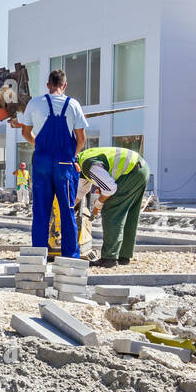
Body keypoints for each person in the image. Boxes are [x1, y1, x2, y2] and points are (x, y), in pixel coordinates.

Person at [18, 68, 86, 256]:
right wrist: (70, 155)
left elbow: (25, 132)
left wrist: (39, 144)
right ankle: (71, 257)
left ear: (48, 85)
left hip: (41, 164)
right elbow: (81, 139)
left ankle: (38, 256)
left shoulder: (35, 103)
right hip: (65, 164)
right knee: (67, 211)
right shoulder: (73, 105)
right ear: (64, 85)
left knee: (41, 211)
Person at [77, 144, 148, 268]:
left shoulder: (89, 165)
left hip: (131, 172)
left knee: (112, 211)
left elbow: (109, 189)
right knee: (128, 213)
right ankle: (123, 256)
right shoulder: (84, 161)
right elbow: (81, 192)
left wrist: (99, 202)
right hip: (140, 168)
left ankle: (109, 258)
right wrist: (68, 208)